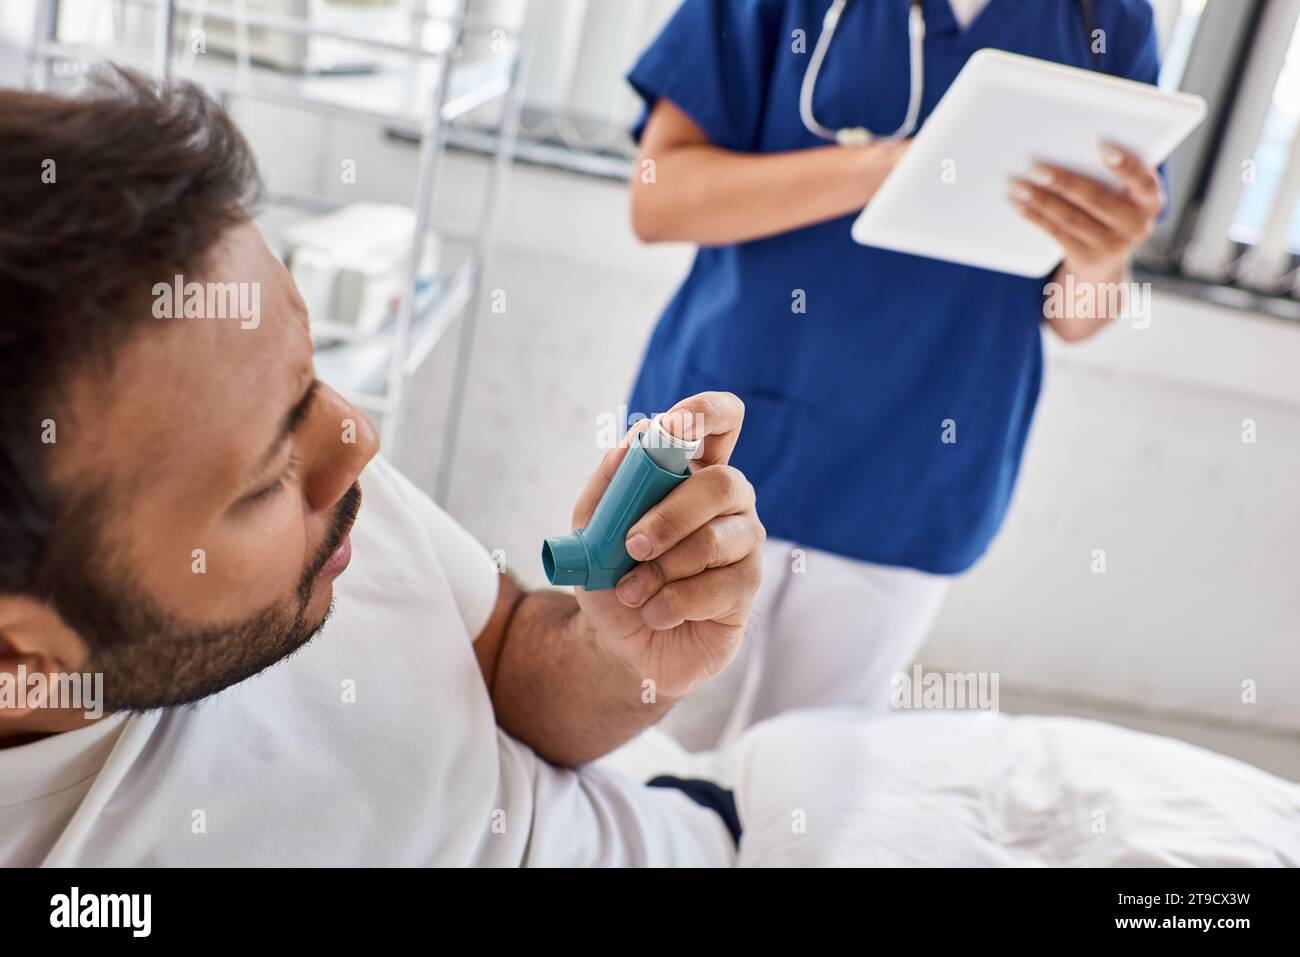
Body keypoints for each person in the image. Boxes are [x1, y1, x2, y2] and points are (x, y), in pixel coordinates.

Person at [0, 71, 763, 865]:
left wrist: (623, 653)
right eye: (266, 476)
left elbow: (503, 661)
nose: (356, 439)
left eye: (310, 376)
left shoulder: (318, 499)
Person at [624, 0, 1168, 748]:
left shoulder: (1106, 20)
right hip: (724, 435)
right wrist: (892, 166)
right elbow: (659, 198)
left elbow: (1076, 315)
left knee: (805, 771)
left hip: (914, 470)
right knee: (649, 751)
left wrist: (1104, 254)